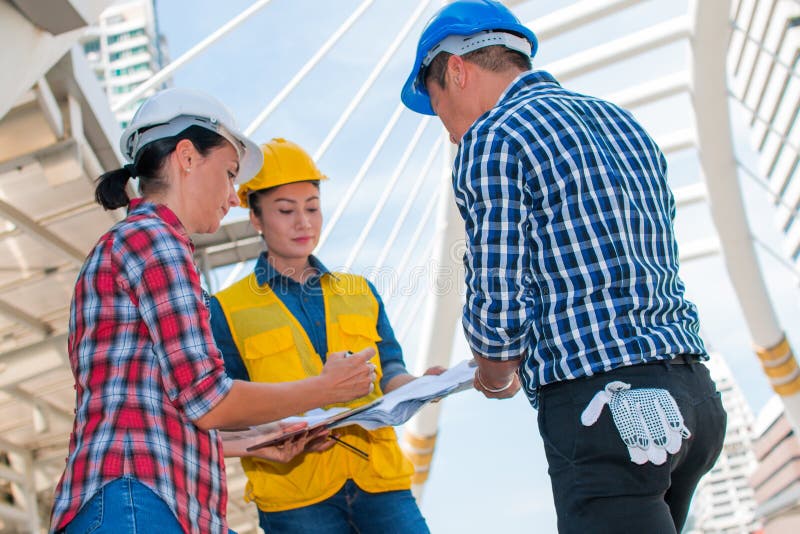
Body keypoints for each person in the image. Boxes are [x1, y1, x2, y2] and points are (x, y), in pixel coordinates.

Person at [400, 1, 727, 532]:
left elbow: (498, 291)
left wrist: (493, 369)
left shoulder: (493, 137)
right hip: (694, 399)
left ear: (456, 70)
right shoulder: (623, 123)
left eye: (439, 109)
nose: (451, 133)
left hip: (605, 407)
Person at [50, 88, 377, 534]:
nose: (234, 196)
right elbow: (207, 400)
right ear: (186, 157)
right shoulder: (155, 241)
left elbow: (155, 414)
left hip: (138, 499)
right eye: (229, 174)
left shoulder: (134, 242)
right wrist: (325, 388)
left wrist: (256, 441)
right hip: (138, 504)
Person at [210, 137, 441, 534]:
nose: (304, 222)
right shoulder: (225, 310)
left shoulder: (361, 291)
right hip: (295, 497)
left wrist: (417, 385)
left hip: (380, 481)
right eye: (286, 210)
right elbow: (224, 410)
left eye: (312, 208)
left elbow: (390, 368)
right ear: (256, 218)